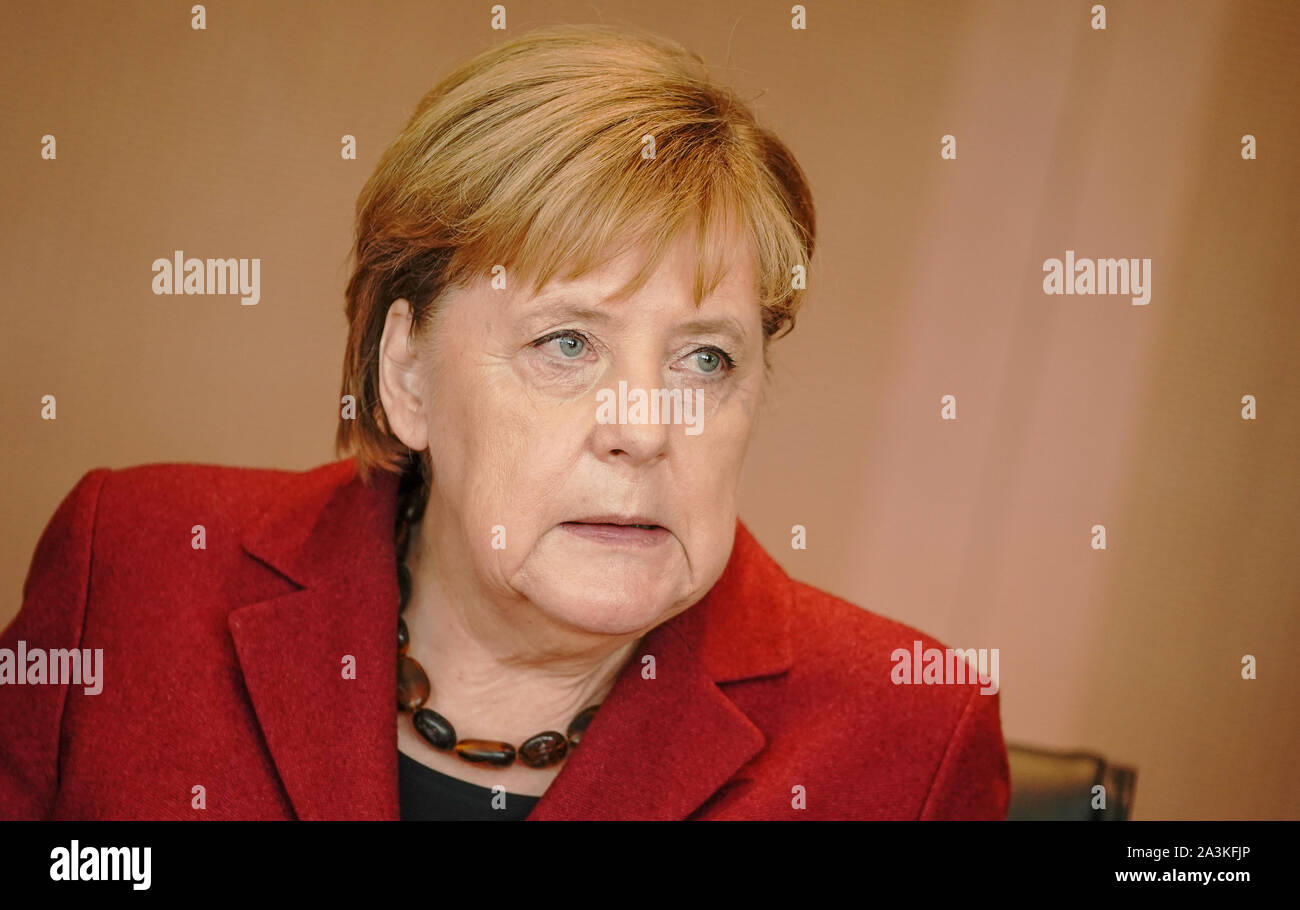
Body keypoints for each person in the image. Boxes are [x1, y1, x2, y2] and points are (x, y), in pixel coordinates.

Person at [0, 23, 1009, 820]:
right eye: (566, 343)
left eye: (706, 358)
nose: (642, 430)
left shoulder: (905, 736)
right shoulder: (130, 570)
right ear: (407, 376)